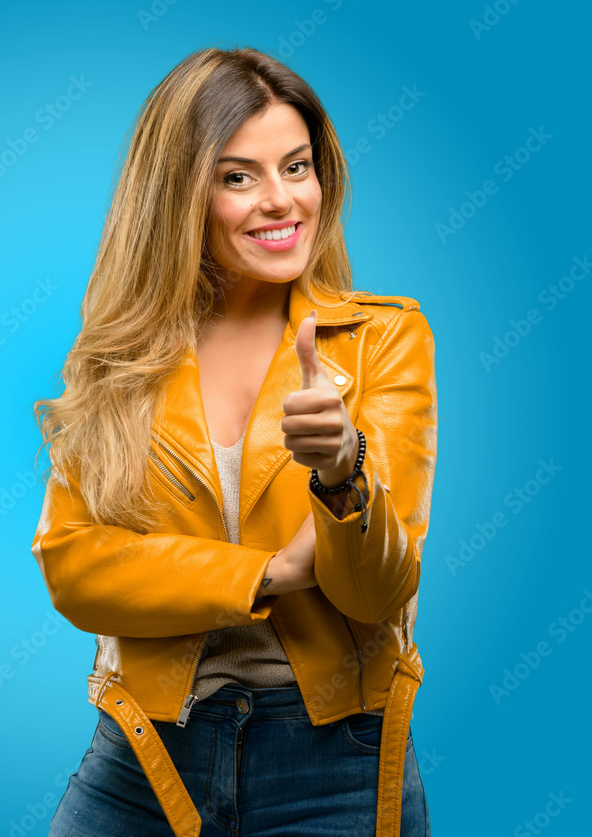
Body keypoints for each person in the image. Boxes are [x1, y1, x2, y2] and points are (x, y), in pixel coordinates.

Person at [30, 45, 437, 837]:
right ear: (180, 194)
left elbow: (376, 593)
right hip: (143, 752)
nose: (281, 201)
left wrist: (342, 473)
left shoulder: (383, 339)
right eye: (238, 176)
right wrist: (270, 571)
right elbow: (75, 565)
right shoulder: (120, 354)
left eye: (297, 166)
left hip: (333, 757)